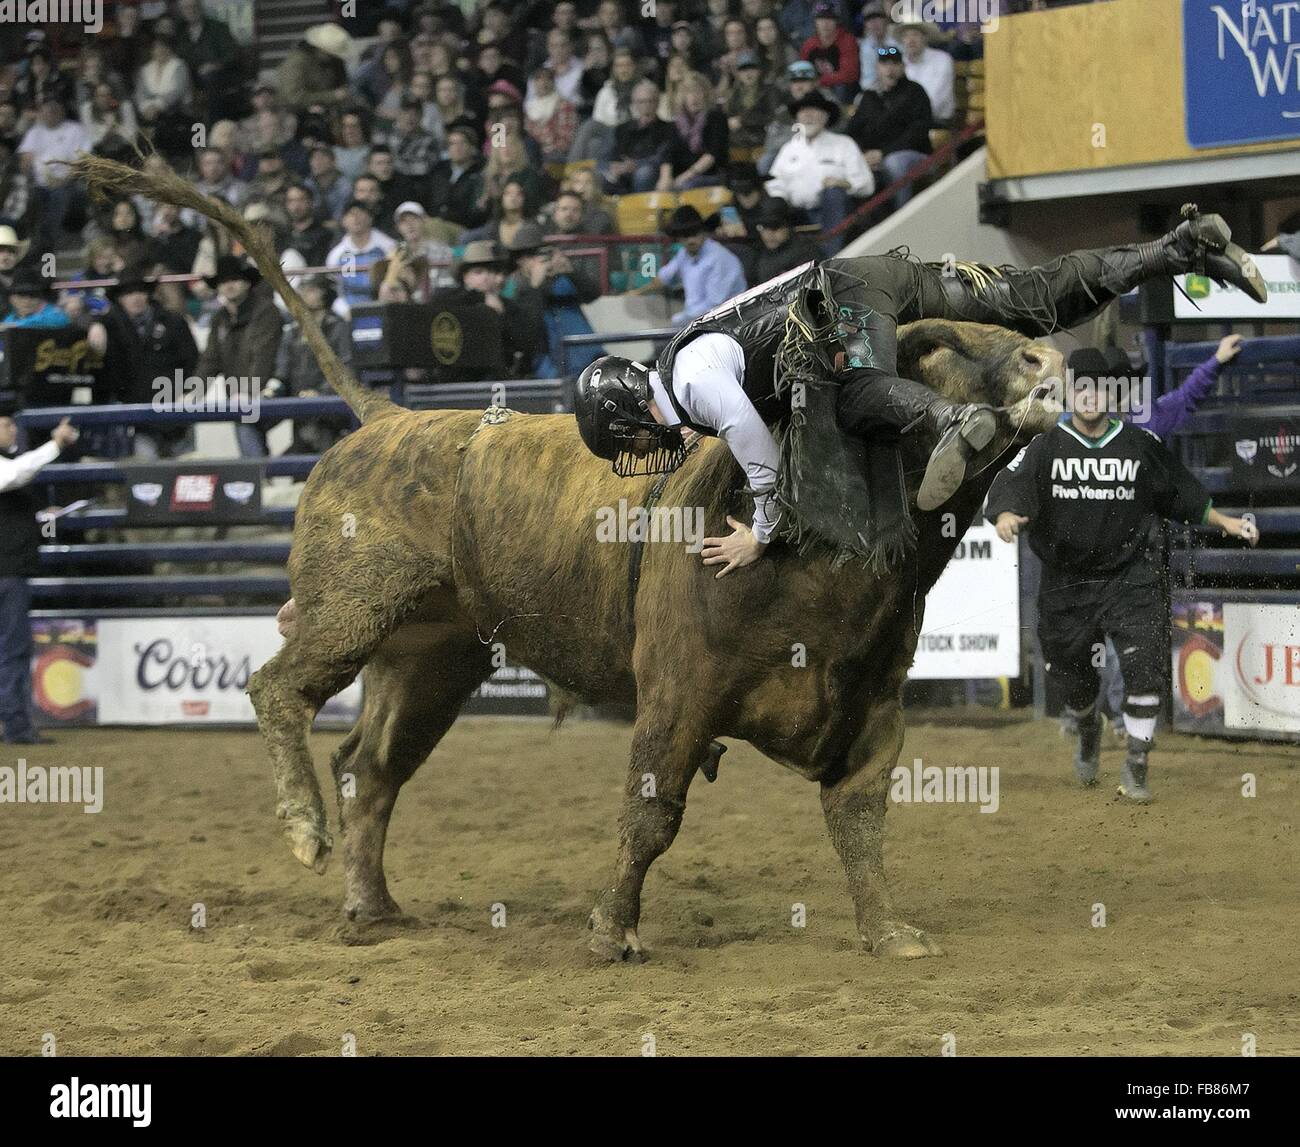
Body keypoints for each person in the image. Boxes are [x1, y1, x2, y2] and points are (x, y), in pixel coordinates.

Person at [571, 206, 1267, 579]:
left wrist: (762, 530)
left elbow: (751, 437)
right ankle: (1179, 248)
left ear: (635, 413)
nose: (641, 446)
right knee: (1027, 298)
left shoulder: (691, 381)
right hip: (875, 276)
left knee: (858, 391)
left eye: (630, 436)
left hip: (847, 299)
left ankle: (957, 418)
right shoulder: (687, 352)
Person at [985, 365, 1259, 803]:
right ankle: (1088, 723)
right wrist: (1005, 514)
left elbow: (1180, 493)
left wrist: (1225, 521)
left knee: (1144, 665)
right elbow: (1011, 483)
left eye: (1098, 387)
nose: (1090, 395)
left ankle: (1136, 763)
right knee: (1068, 671)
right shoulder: (1045, 446)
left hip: (1132, 575)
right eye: (1082, 387)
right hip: (1067, 581)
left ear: (1111, 396)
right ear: (1069, 395)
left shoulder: (1139, 444)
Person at [0, 407, 79, 744]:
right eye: (5, 425)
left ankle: (14, 721)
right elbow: (16, 474)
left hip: (10, 569)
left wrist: (40, 517)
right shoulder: (9, 468)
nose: (12, 430)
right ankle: (16, 725)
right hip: (8, 572)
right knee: (13, 649)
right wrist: (55, 445)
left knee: (11, 649)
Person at [92, 266, 199, 459]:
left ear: (148, 293)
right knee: (148, 473)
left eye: (140, 291)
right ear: (119, 298)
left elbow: (192, 361)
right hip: (136, 416)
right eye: (128, 293)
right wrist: (95, 325)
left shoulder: (173, 322)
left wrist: (183, 393)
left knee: (182, 472)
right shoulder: (109, 325)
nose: (136, 297)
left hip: (174, 410)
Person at [765, 89, 874, 254]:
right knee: (772, 202)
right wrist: (778, 200)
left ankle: (829, 258)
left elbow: (867, 185)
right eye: (803, 111)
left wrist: (841, 183)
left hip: (834, 212)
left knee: (833, 193)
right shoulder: (788, 148)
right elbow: (775, 183)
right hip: (796, 214)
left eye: (813, 110)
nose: (807, 115)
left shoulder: (843, 144)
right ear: (797, 118)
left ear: (826, 116)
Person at [194, 256, 282, 457]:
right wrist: (194, 391)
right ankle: (261, 480)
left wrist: (249, 392)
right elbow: (210, 360)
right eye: (223, 281)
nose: (229, 285)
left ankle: (259, 479)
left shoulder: (266, 311)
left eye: (234, 279)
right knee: (248, 434)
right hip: (239, 395)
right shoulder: (220, 318)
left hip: (270, 390)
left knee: (247, 431)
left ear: (247, 282)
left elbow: (264, 356)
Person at [507, 222, 603, 377]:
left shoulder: (560, 279)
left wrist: (570, 271)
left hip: (588, 359)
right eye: (533, 255)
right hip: (549, 366)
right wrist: (535, 286)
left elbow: (593, 294)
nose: (540, 260)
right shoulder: (513, 286)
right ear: (520, 260)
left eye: (543, 253)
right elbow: (526, 329)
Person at [270, 275, 353, 454]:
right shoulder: (292, 331)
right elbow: (282, 369)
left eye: (311, 290)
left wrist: (321, 392)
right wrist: (272, 389)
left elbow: (346, 368)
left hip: (330, 404)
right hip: (297, 401)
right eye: (302, 289)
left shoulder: (338, 327)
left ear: (325, 295)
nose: (303, 294)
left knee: (321, 448)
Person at [844, 45, 933, 209]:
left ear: (902, 67)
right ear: (878, 68)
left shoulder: (915, 92)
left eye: (894, 64)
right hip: (872, 156)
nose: (889, 69)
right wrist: (861, 155)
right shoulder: (869, 96)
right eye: (885, 64)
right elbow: (852, 131)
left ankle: (902, 216)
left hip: (912, 155)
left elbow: (917, 133)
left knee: (894, 163)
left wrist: (884, 153)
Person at [630, 205, 747, 326]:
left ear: (703, 232)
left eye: (694, 233)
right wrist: (636, 293)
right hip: (699, 322)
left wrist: (677, 322)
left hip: (727, 323)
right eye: (685, 235)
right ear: (679, 237)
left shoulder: (720, 258)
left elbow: (714, 306)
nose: (691, 240)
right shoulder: (684, 255)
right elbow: (663, 278)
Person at [17, 95, 92, 253]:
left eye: (54, 110)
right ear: (42, 113)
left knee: (58, 195)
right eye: (47, 111)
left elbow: (81, 162)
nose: (50, 114)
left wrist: (62, 180)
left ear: (61, 111)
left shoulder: (75, 130)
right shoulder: (34, 132)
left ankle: (49, 245)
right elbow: (25, 160)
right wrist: (27, 166)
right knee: (28, 197)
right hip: (38, 183)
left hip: (68, 182)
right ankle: (32, 243)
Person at [600, 80, 675, 195]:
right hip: (621, 170)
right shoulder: (621, 129)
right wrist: (615, 166)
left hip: (648, 171)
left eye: (650, 101)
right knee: (597, 172)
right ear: (634, 104)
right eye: (641, 102)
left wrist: (636, 165)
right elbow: (606, 157)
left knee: (644, 173)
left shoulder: (668, 128)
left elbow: (663, 157)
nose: (646, 105)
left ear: (657, 102)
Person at [325, 199, 397, 312]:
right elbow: (335, 288)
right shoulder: (336, 255)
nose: (356, 218)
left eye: (360, 213)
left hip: (384, 305)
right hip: (349, 309)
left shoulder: (388, 247)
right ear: (343, 221)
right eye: (351, 215)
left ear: (370, 218)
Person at [276, 24, 353, 113]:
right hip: (296, 114)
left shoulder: (334, 62)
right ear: (321, 50)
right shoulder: (296, 63)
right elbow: (293, 97)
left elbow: (342, 83)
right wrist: (332, 96)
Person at [752, 197, 823, 283]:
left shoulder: (806, 252)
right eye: (762, 227)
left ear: (788, 225)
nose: (768, 234)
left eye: (774, 226)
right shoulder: (758, 255)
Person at [800, 1, 861, 102]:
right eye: (821, 19)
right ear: (815, 22)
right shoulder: (809, 44)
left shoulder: (848, 40)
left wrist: (820, 81)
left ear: (837, 21)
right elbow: (803, 71)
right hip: (817, 87)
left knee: (841, 87)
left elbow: (850, 74)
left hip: (842, 89)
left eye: (829, 19)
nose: (825, 23)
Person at [898, 19, 954, 123]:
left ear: (925, 37)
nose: (911, 40)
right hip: (903, 120)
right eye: (906, 36)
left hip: (935, 120)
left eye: (915, 35)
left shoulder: (942, 59)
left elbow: (936, 101)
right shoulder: (900, 63)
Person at [2, 269, 70, 328]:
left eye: (33, 295)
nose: (27, 301)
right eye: (21, 295)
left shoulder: (55, 314)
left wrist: (15, 326)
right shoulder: (10, 319)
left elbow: (61, 319)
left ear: (40, 297)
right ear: (11, 299)